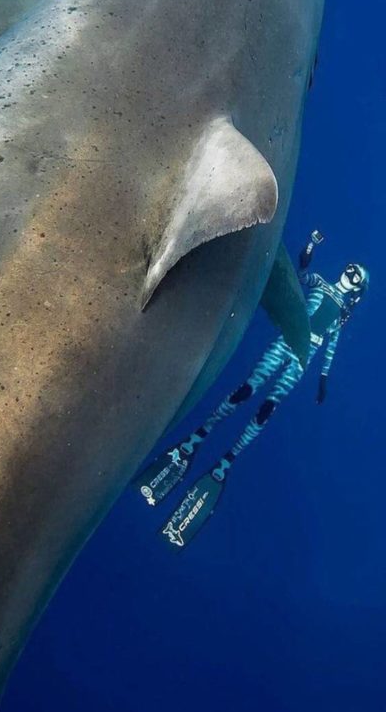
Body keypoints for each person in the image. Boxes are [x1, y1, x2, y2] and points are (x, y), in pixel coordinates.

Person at [136, 231, 369, 546]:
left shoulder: (341, 315)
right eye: (352, 268)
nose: (350, 273)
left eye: (356, 276)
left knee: (266, 408)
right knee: (246, 389)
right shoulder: (321, 284)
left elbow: (331, 347)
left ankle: (227, 459)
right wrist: (311, 246)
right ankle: (198, 437)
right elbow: (299, 274)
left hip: (303, 357)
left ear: (357, 288)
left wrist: (324, 378)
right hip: (288, 341)